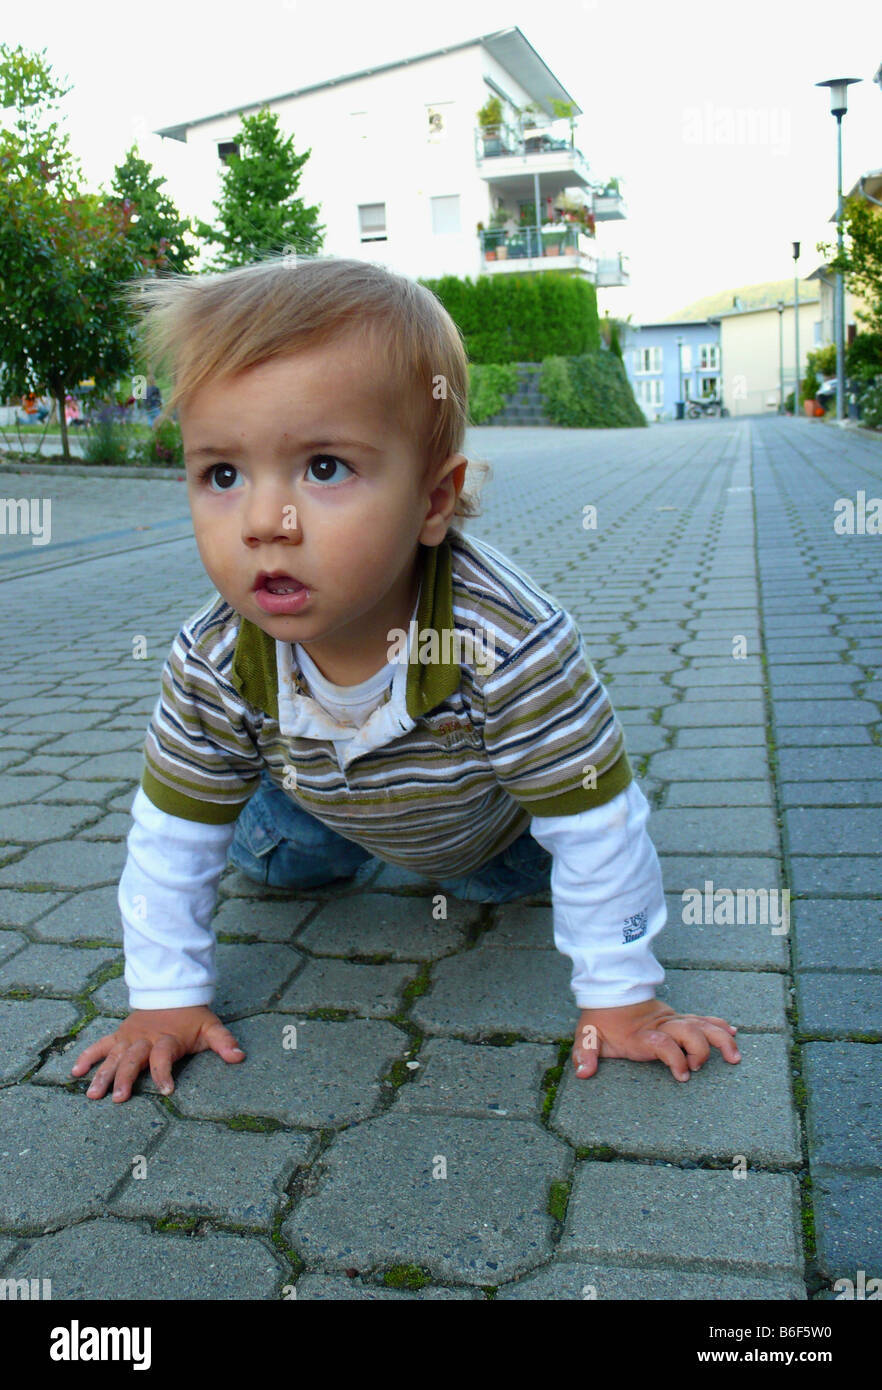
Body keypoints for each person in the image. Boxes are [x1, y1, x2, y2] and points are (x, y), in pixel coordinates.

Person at [72, 256, 740, 1103]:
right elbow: (170, 838)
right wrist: (164, 1000)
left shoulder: (506, 638)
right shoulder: (212, 657)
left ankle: (445, 849)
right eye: (223, 473)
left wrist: (624, 999)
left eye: (322, 468)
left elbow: (595, 825)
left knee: (527, 874)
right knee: (265, 855)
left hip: (482, 835)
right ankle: (315, 832)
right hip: (312, 802)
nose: (263, 523)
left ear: (433, 501)